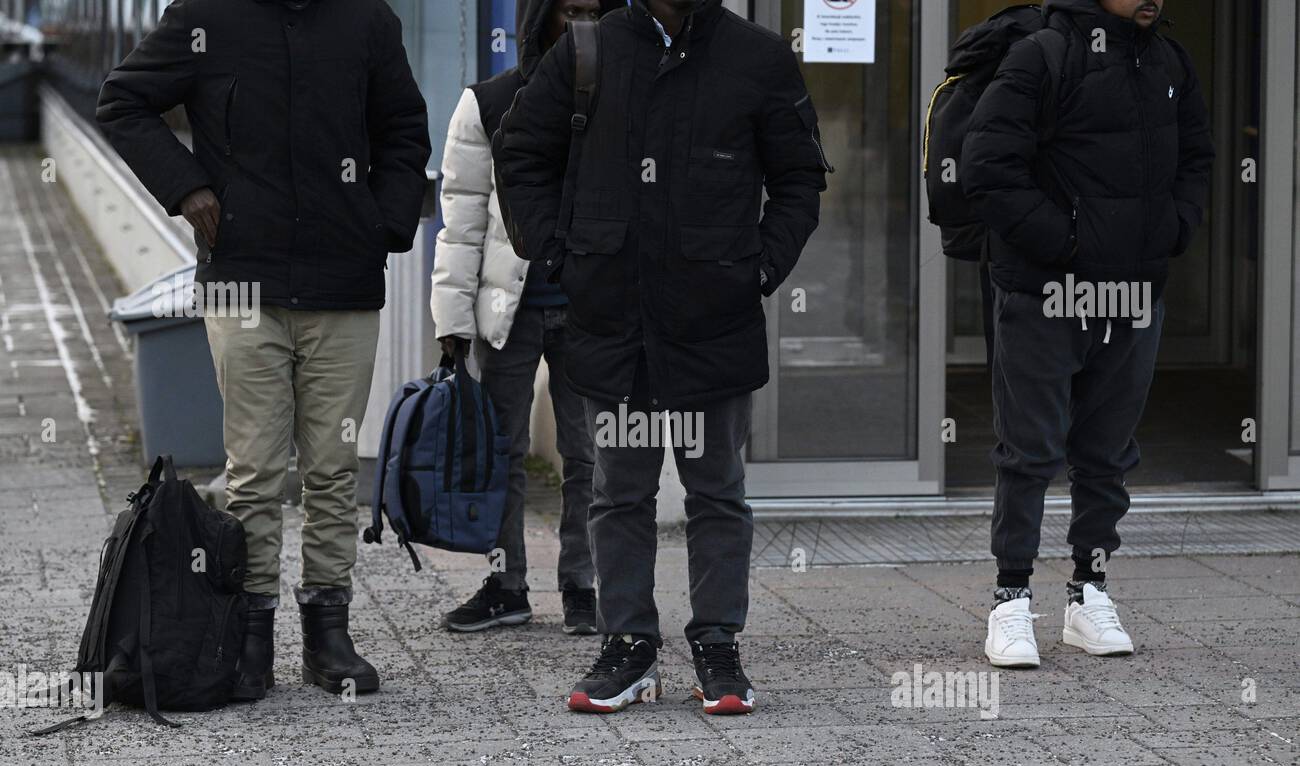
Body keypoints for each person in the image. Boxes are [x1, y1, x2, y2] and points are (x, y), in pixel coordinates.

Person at [495, 0, 830, 714]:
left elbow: (800, 179)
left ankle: (717, 646)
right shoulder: (588, 51)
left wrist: (758, 269)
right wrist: (559, 254)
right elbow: (520, 150)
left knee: (716, 491)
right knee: (618, 492)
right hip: (612, 322)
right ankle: (628, 648)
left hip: (714, 322)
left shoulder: (757, 57)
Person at [97, 0, 431, 697]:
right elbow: (123, 101)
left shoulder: (367, 20)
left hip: (342, 278)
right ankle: (249, 635)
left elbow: (402, 129)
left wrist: (384, 222)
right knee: (254, 469)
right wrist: (185, 185)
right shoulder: (204, 17)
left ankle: (327, 631)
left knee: (334, 466)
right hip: (238, 280)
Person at [961, 0, 1212, 667]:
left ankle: (1088, 593)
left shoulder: (1169, 62)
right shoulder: (1042, 54)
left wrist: (1173, 230)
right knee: (1029, 451)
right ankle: (1011, 600)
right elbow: (986, 163)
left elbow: (1198, 161)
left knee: (1107, 453)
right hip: (1045, 290)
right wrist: (1065, 241)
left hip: (1133, 292)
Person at [432, 0, 619, 636]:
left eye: (596, 10)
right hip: (506, 314)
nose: (582, 23)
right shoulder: (488, 102)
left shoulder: (622, 95)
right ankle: (507, 584)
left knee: (588, 454)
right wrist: (452, 321)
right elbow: (461, 220)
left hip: (592, 308)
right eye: (571, 9)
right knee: (500, 452)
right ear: (543, 17)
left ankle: (583, 586)